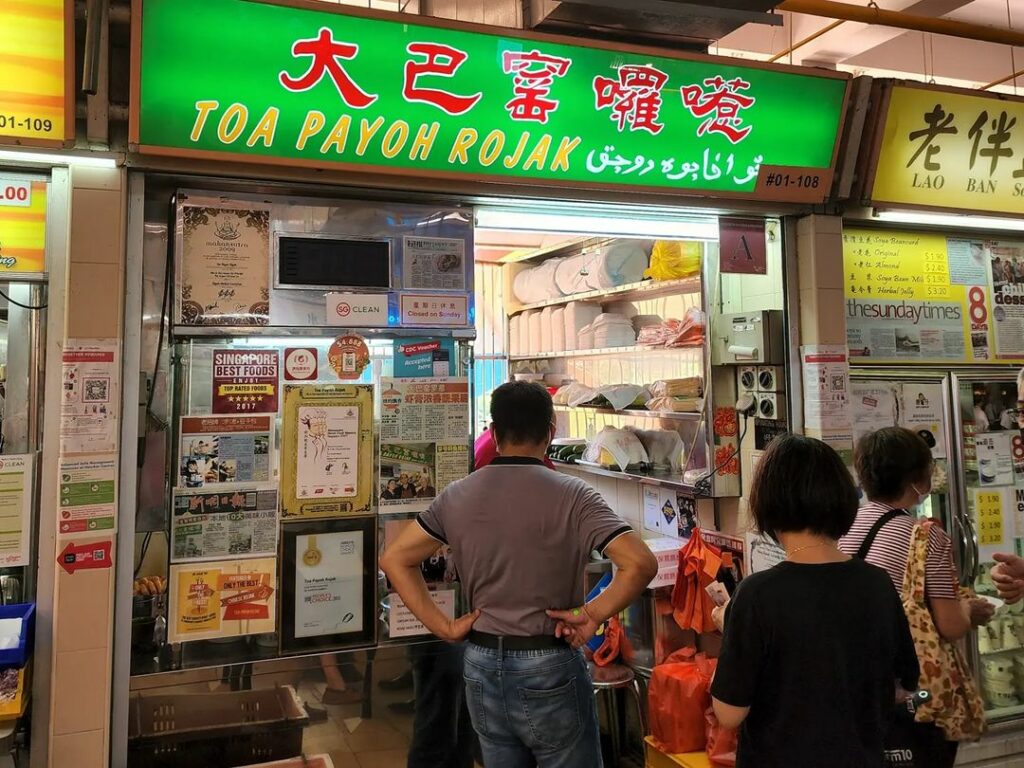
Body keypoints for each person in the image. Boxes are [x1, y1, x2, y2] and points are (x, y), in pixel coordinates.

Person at [381, 381, 657, 768]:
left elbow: (394, 559)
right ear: (551, 431)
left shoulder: (457, 495)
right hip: (548, 662)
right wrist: (591, 613)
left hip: (479, 662)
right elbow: (640, 563)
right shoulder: (574, 495)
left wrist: (443, 626)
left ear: (494, 433)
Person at [711, 434, 919, 768]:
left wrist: (730, 632)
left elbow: (729, 713)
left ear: (768, 504)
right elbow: (903, 684)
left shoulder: (756, 595)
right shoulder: (877, 584)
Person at [841, 428, 994, 642]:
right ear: (920, 478)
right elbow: (951, 626)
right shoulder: (926, 537)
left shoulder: (846, 522)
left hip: (855, 656)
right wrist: (967, 609)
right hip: (903, 662)